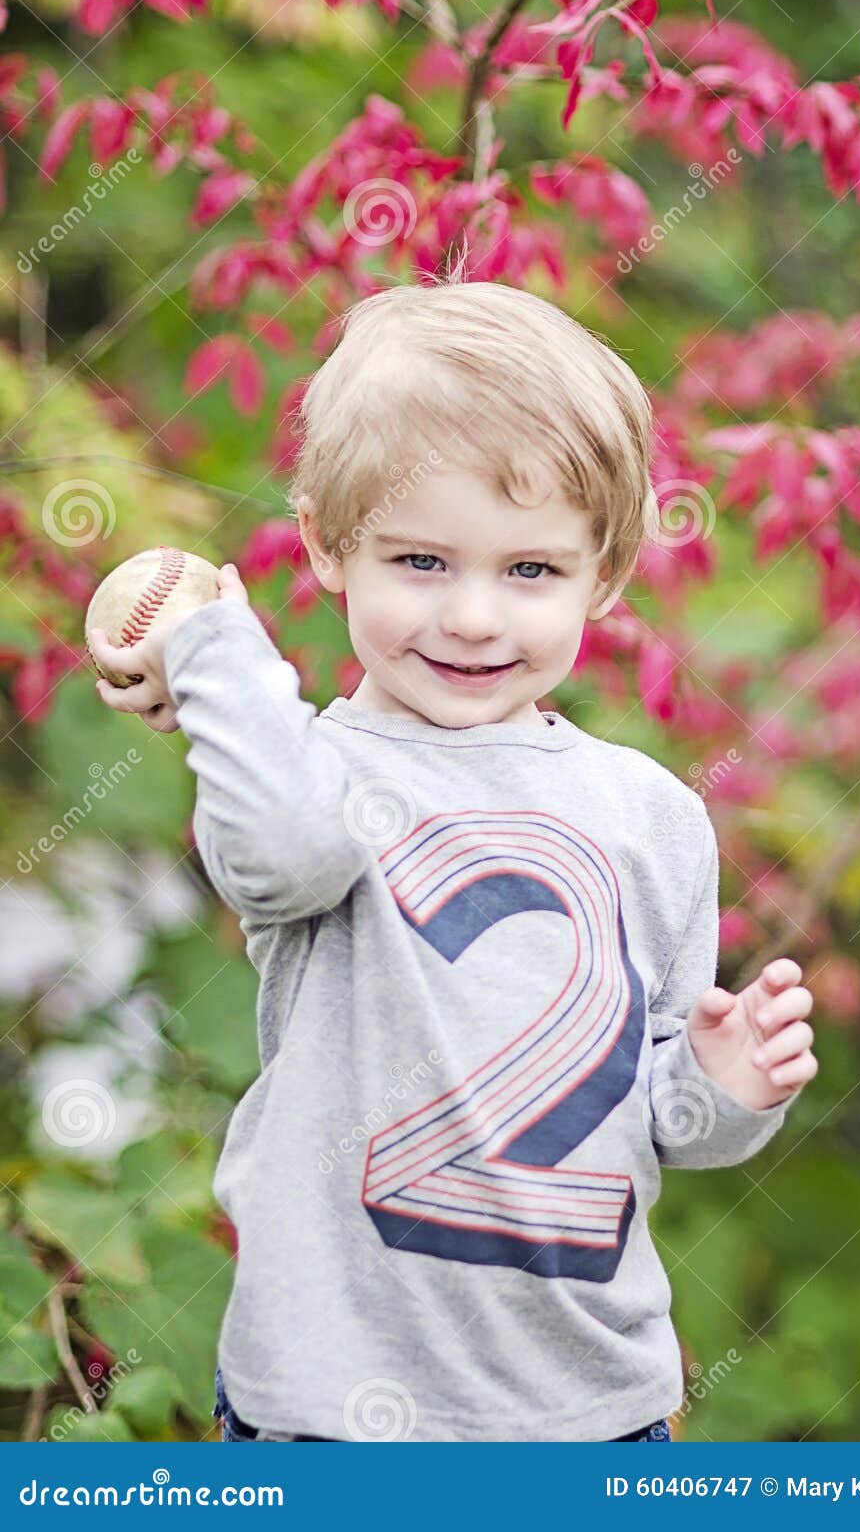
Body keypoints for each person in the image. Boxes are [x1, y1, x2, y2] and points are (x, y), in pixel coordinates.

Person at [89, 278, 817, 1442]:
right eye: (422, 562)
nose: (475, 617)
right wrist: (215, 657)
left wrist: (726, 1085)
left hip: (589, 1408)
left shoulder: (650, 815)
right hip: (331, 1406)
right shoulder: (305, 768)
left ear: (607, 575)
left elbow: (667, 1121)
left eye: (530, 571)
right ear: (329, 549)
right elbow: (290, 854)